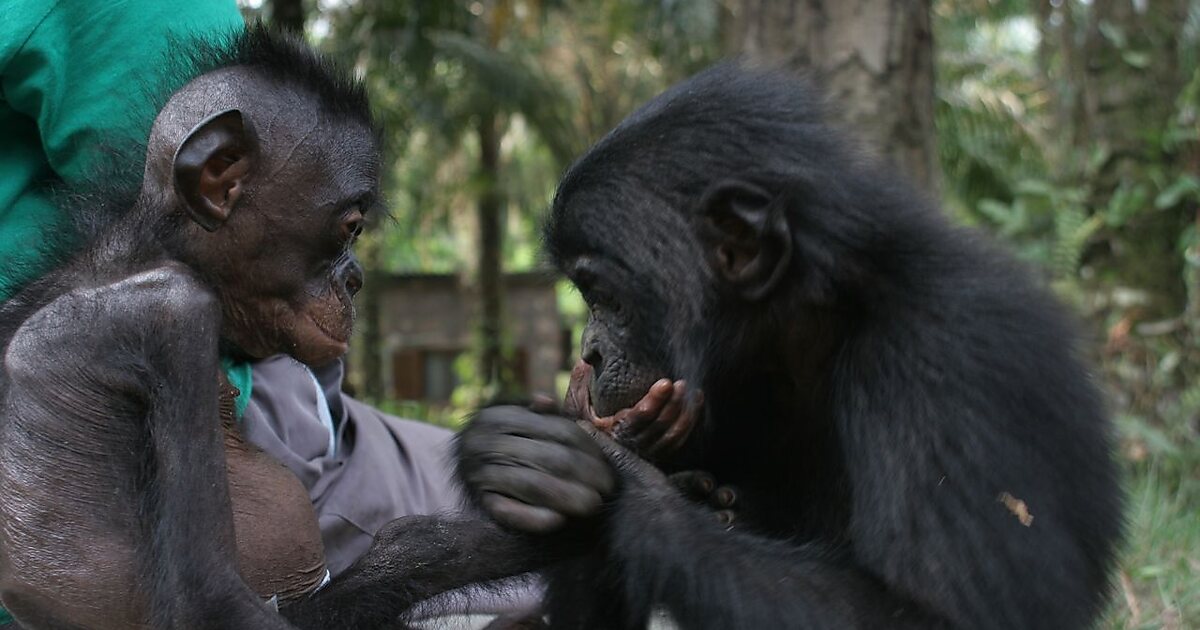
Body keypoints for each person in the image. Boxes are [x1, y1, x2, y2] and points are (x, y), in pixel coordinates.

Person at [1, 0, 464, 598]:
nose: (353, 276)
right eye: (346, 232)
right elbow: (209, 598)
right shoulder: (170, 308)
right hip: (204, 452)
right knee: (500, 504)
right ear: (221, 177)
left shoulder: (109, 301)